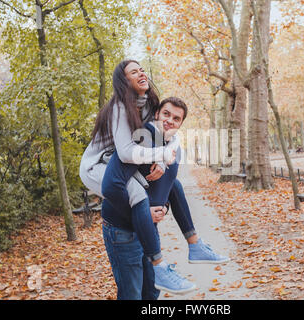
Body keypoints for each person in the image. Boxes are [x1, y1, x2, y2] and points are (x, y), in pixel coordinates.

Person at [79, 60, 228, 299]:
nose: (141, 73)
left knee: (173, 185)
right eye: (133, 71)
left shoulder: (148, 105)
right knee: (137, 196)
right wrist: (160, 154)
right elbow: (127, 152)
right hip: (97, 166)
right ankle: (158, 264)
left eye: (142, 69)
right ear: (123, 80)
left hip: (122, 162)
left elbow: (170, 137)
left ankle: (194, 244)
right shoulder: (119, 106)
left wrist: (162, 158)